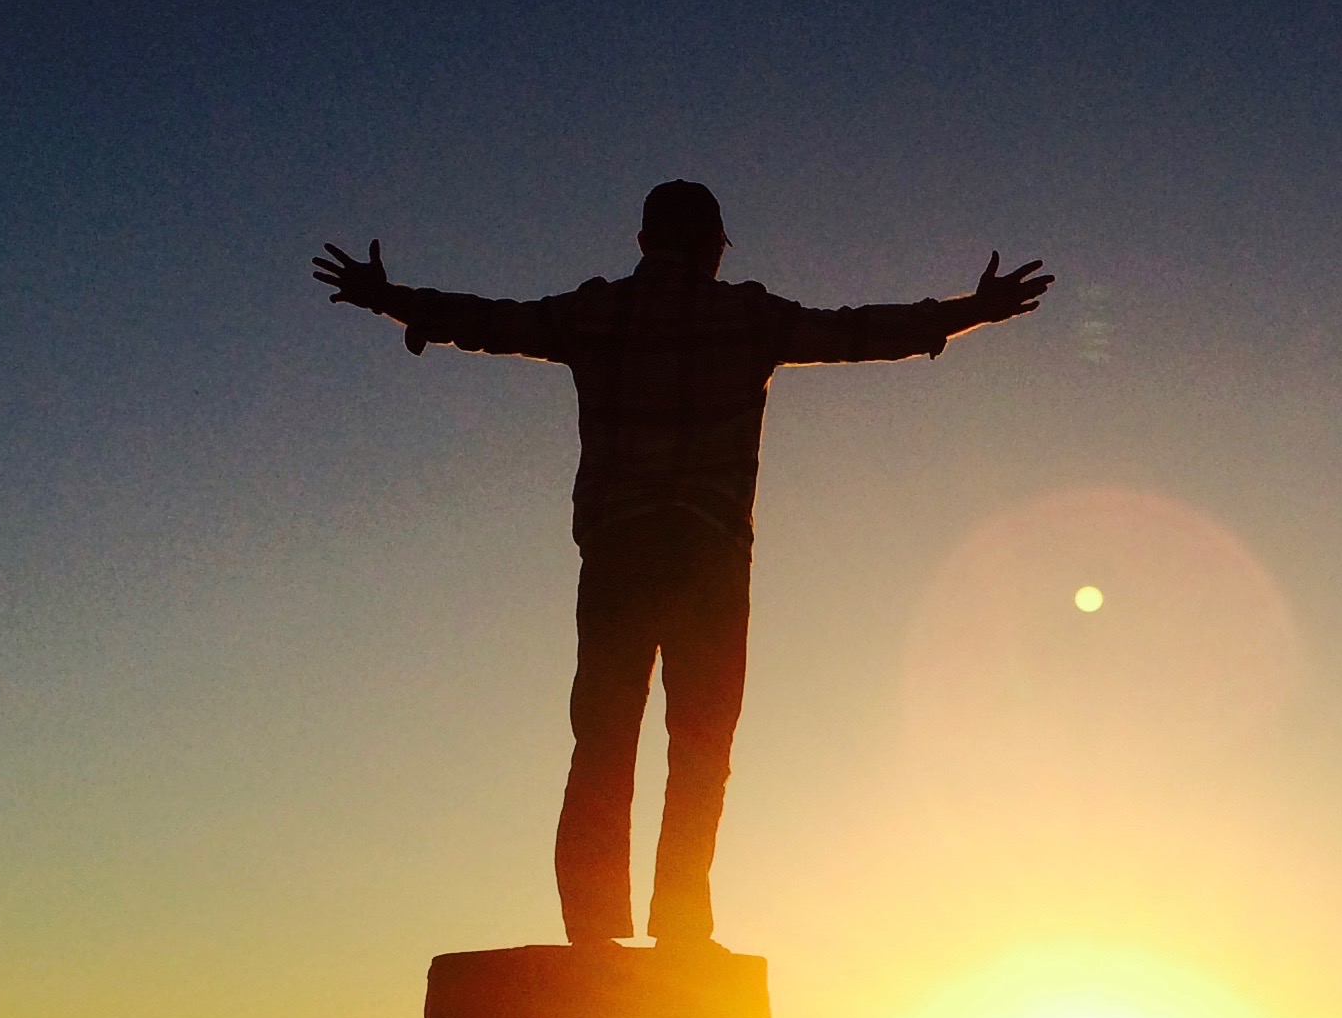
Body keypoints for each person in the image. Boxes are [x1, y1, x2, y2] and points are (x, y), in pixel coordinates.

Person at [313, 183, 1051, 945]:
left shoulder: (596, 311)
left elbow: (489, 321)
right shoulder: (746, 317)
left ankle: (595, 930)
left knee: (603, 739)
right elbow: (859, 333)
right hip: (708, 558)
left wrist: (389, 299)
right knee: (701, 747)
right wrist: (973, 310)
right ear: (713, 247)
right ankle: (680, 921)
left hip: (618, 552)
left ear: (643, 241)